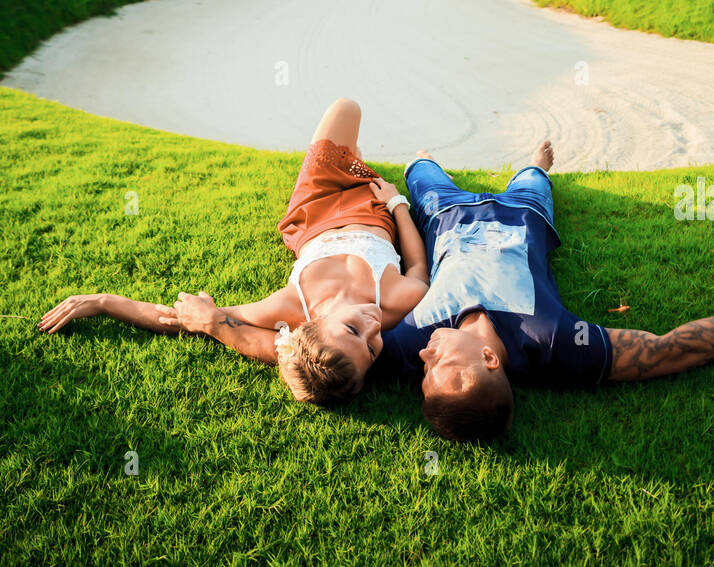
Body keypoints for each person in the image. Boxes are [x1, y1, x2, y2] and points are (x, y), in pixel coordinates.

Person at [377, 142, 714, 443]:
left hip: (444, 211)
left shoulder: (407, 342)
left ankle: (431, 161)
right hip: (526, 211)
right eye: (436, 366)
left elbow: (329, 356)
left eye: (423, 374)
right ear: (488, 359)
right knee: (534, 176)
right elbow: (666, 351)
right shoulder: (554, 341)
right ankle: (534, 167)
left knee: (419, 164)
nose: (423, 357)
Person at [38, 99, 430, 406]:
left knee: (345, 108)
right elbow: (415, 264)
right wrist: (396, 203)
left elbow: (179, 319)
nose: (374, 328)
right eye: (373, 348)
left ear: (308, 327)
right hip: (372, 210)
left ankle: (352, 159)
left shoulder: (292, 306)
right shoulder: (397, 301)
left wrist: (104, 302)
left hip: (315, 207)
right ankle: (357, 162)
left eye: (353, 331)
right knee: (350, 113)